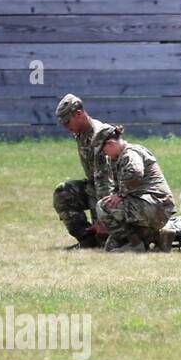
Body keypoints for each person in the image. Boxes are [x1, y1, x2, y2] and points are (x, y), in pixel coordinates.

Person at [93, 125, 176, 252]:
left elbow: (136, 172)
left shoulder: (130, 153)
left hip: (155, 204)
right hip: (153, 205)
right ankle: (159, 237)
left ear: (110, 143)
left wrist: (120, 195)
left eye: (103, 150)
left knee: (103, 207)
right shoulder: (119, 157)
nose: (104, 154)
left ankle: (135, 244)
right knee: (111, 246)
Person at [52, 93, 117, 248]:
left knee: (105, 239)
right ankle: (86, 240)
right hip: (94, 186)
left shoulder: (99, 136)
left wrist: (102, 219)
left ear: (79, 114)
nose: (66, 128)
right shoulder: (80, 133)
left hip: (112, 192)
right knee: (63, 193)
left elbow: (105, 181)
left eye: (68, 122)